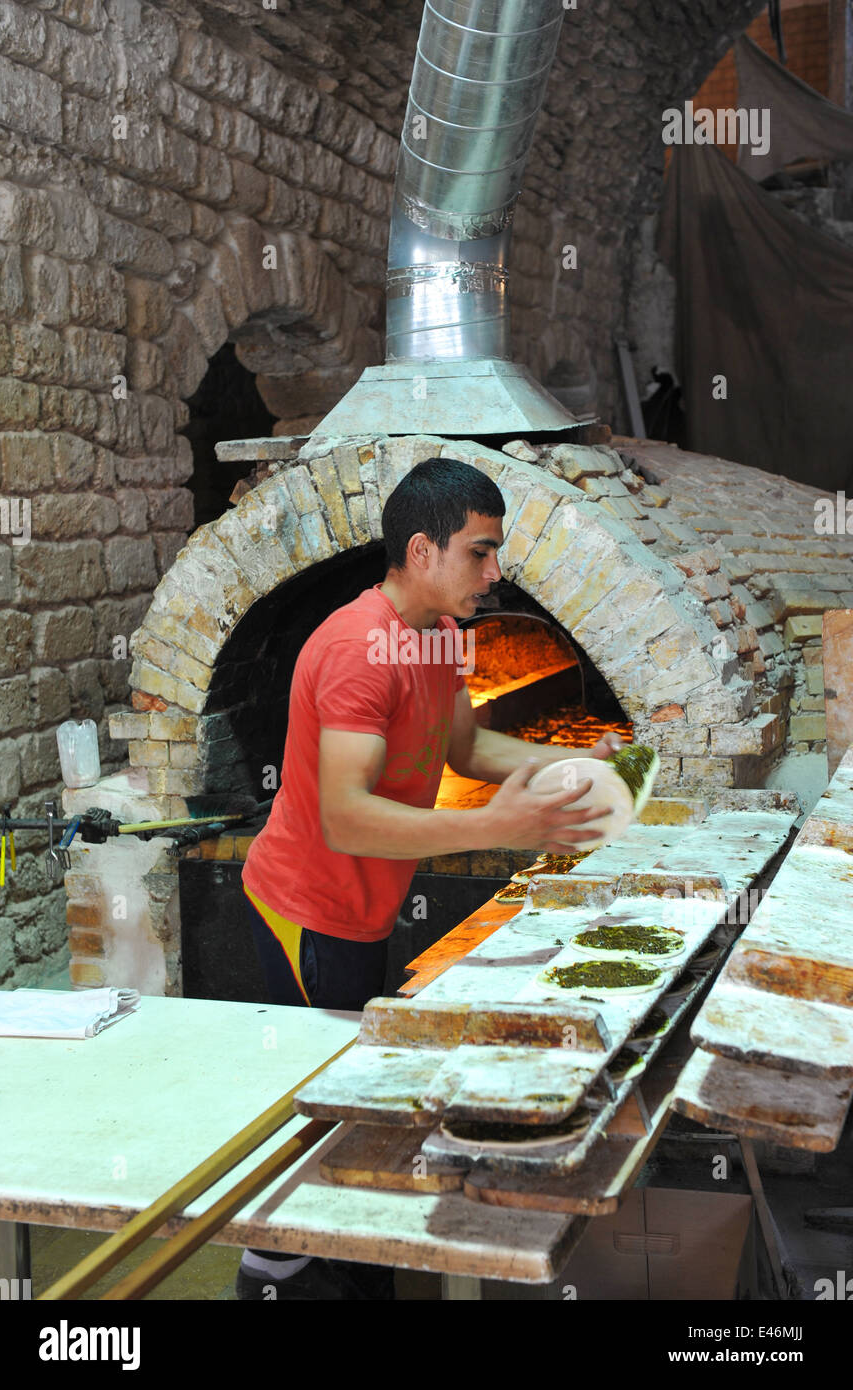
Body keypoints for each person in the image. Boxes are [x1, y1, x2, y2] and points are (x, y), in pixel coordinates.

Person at [236, 457, 622, 1300]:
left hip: (365, 902)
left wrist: (572, 765)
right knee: (326, 1112)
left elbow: (467, 750)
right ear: (420, 549)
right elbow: (345, 815)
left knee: (356, 1095)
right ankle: (272, 1271)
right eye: (480, 554)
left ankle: (338, 1258)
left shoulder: (444, 635)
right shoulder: (352, 651)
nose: (495, 573)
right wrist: (496, 828)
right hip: (308, 904)